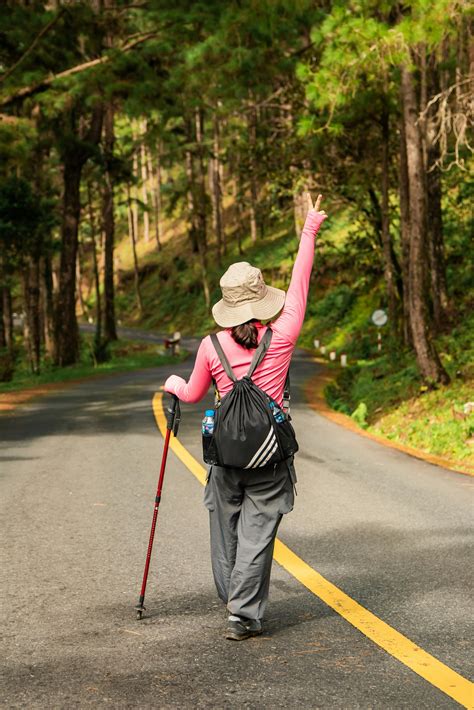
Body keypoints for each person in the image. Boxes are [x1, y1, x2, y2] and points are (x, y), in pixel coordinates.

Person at [164, 192, 327, 640]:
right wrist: (309, 227)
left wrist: (173, 386)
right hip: (269, 456)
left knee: (224, 526)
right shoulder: (283, 334)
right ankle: (243, 611)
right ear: (261, 298)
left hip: (225, 455)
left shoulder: (210, 345)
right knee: (258, 531)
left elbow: (193, 393)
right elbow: (300, 282)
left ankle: (234, 598)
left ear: (226, 303)